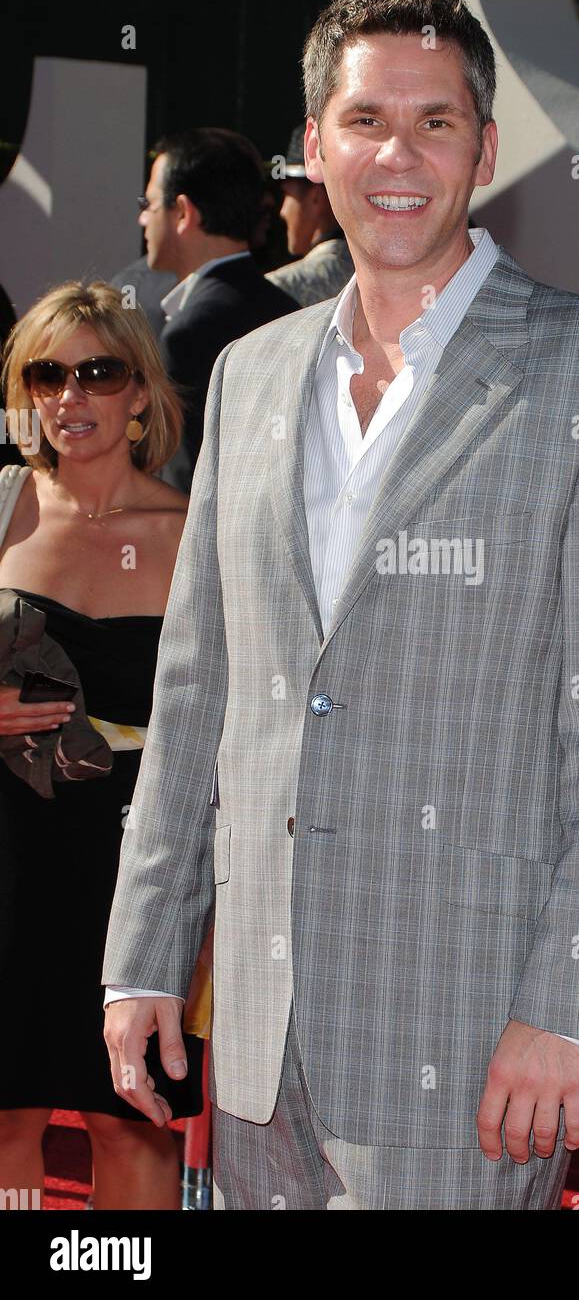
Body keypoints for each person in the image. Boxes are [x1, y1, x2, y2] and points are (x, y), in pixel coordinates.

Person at [102, 0, 579, 1212]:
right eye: (366, 119)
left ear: (482, 149)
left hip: (477, 1031)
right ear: (313, 149)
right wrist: (142, 956)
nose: (399, 153)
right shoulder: (251, 374)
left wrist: (571, 1009)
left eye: (435, 121)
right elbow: (197, 686)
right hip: (259, 1042)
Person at [0, 280, 204, 1209]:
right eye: (46, 373)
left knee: (133, 1117)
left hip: (142, 860)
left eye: (96, 371)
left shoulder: (194, 532)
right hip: (8, 851)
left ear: (139, 392)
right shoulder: (1, 509)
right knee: (6, 1117)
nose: (68, 396)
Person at [139, 127, 298, 491]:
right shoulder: (290, 311)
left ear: (182, 212)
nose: (143, 219)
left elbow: (186, 491)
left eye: (147, 204)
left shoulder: (189, 335)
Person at [266, 124, 355, 306]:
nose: (282, 211)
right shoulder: (388, 279)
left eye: (286, 195)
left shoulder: (279, 287)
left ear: (315, 198)